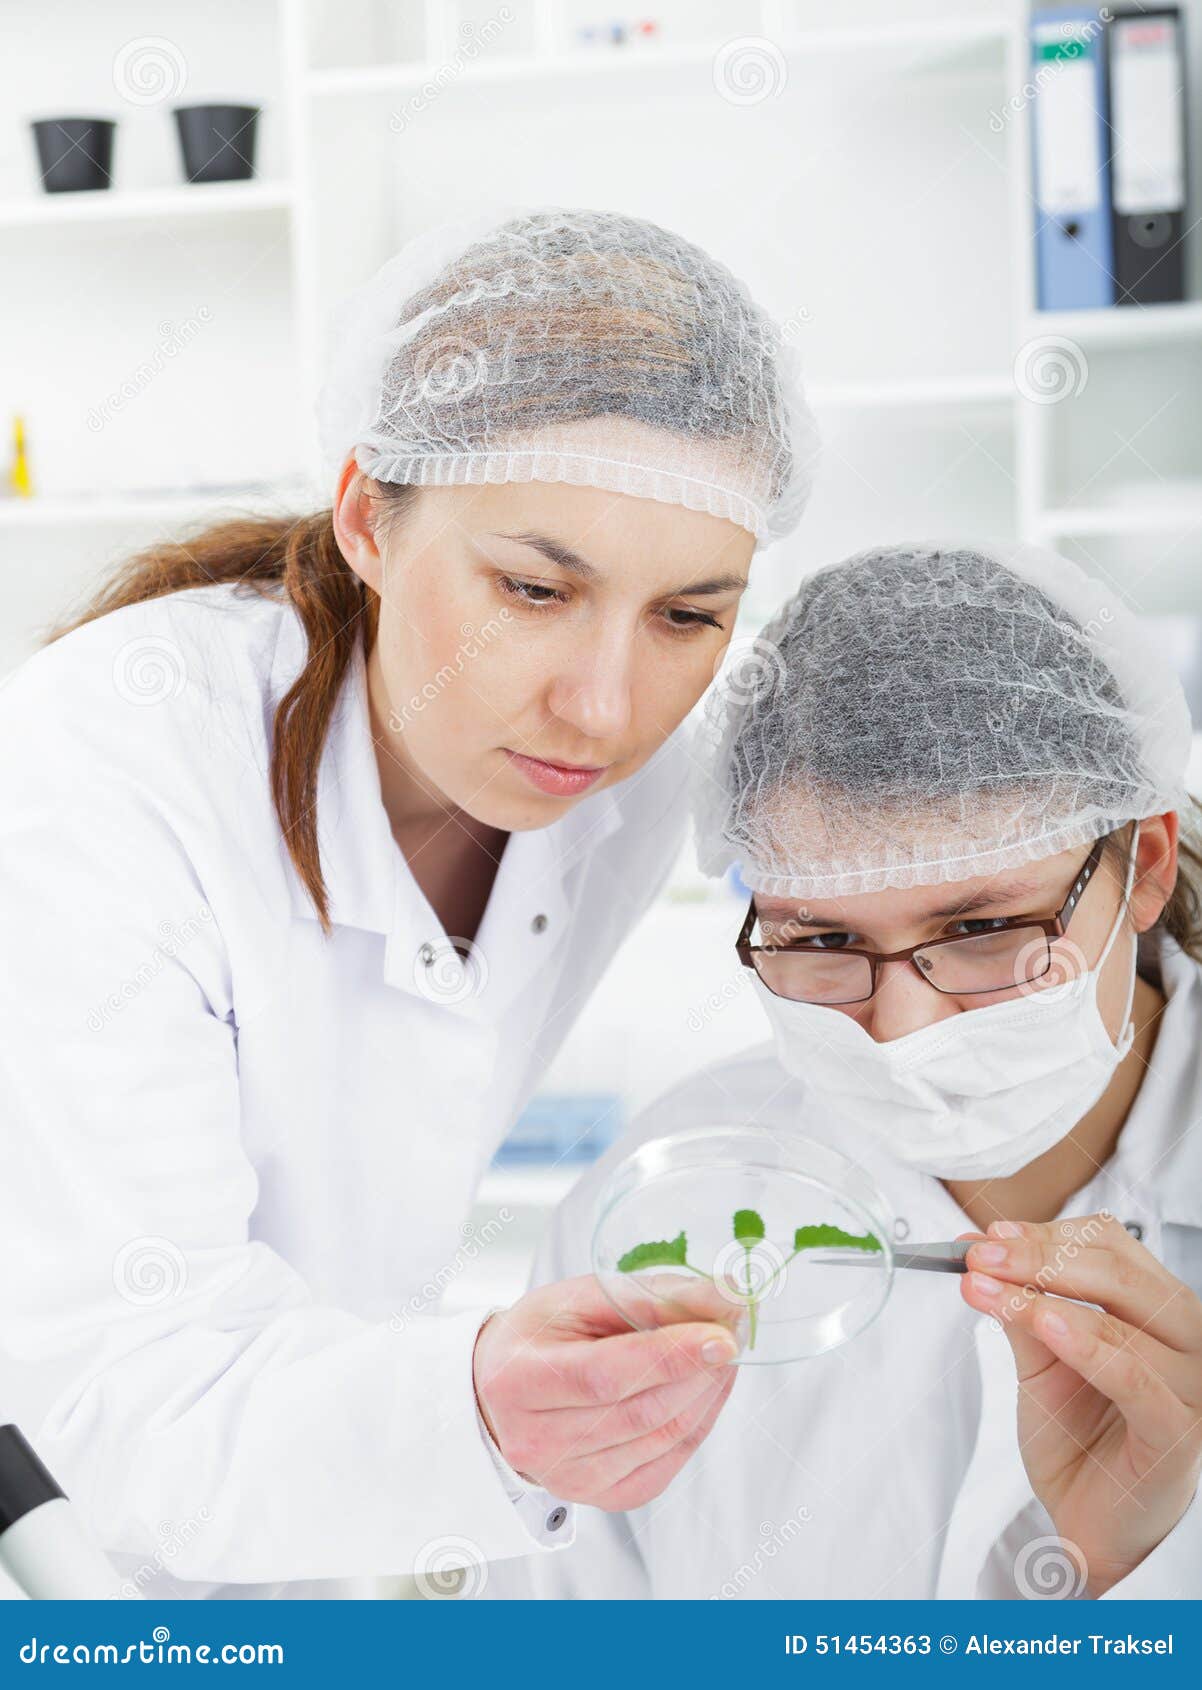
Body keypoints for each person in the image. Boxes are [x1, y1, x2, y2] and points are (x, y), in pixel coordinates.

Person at [0, 207, 818, 1599]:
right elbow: (132, 1382)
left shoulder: (611, 773)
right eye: (532, 587)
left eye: (689, 613)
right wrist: (478, 1407)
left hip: (292, 1498)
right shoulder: (99, 769)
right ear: (370, 515)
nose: (605, 705)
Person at [491, 541, 1202, 1601]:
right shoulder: (661, 1201)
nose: (898, 1029)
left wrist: (1124, 1584)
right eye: (817, 940)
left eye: (979, 928)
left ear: (1139, 863)